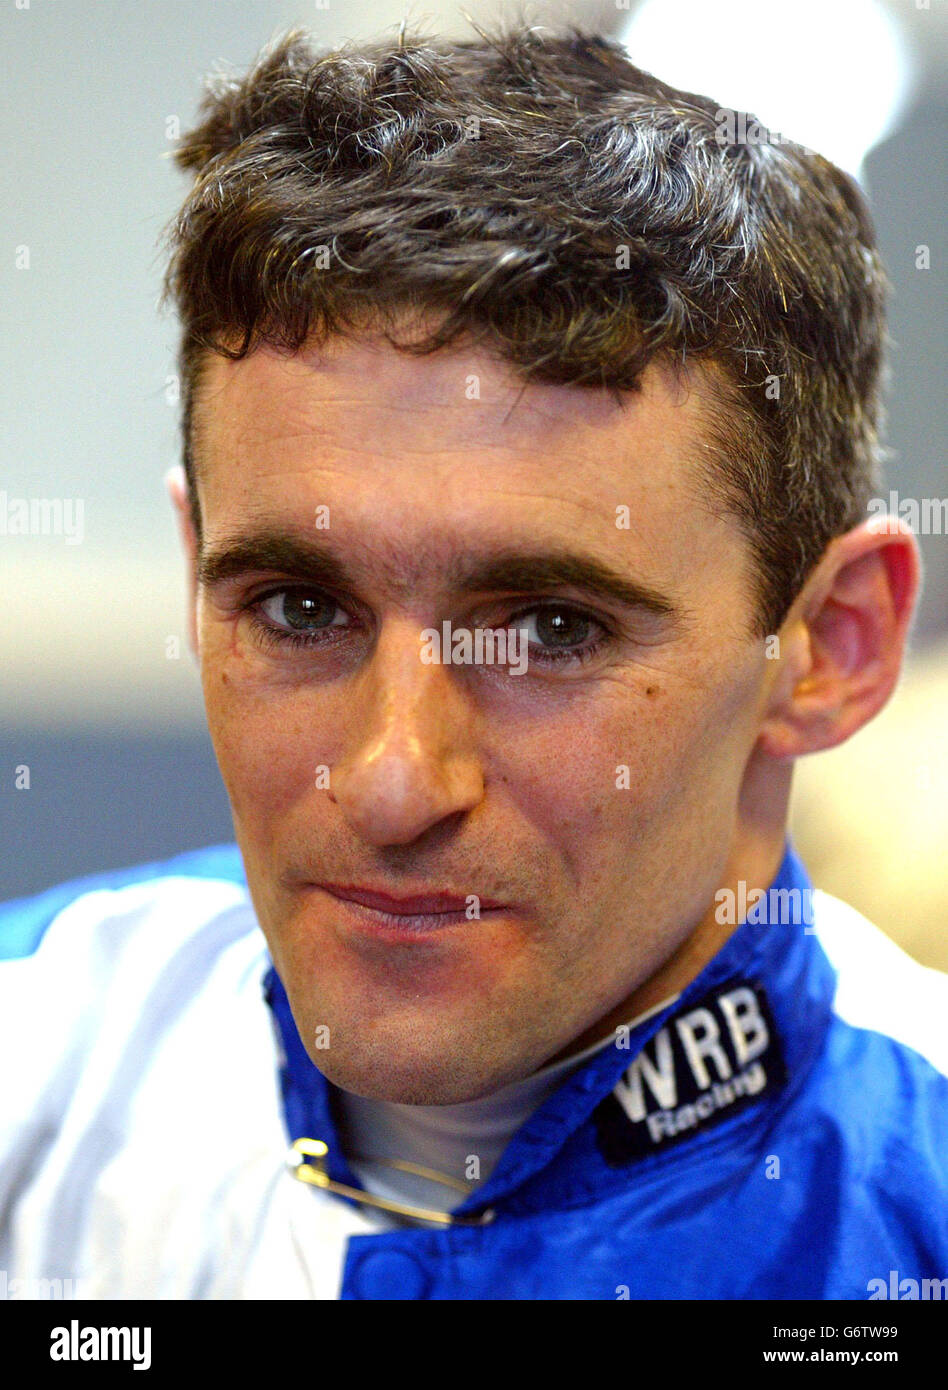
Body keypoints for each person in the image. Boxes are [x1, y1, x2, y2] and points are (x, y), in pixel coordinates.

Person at [1, 22, 945, 1302]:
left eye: (553, 630)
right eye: (296, 607)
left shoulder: (915, 1193)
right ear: (195, 572)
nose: (392, 786)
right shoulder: (38, 1059)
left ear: (830, 647)